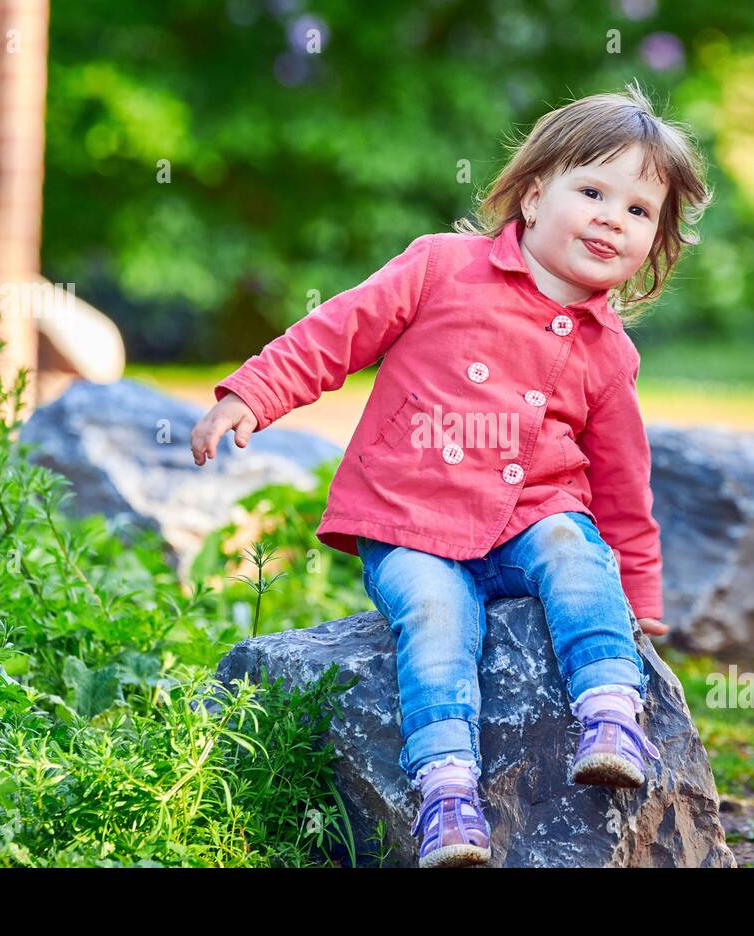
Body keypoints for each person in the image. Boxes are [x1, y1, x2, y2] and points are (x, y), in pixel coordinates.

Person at [191, 79, 711, 867]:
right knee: (436, 621)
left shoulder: (610, 353)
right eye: (593, 190)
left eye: (640, 211)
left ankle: (609, 710)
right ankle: (447, 794)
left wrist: (637, 601)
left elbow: (622, 489)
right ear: (534, 198)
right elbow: (337, 333)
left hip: (531, 519)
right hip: (410, 522)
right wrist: (253, 393)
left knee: (577, 553)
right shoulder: (442, 267)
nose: (613, 216)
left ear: (655, 244)